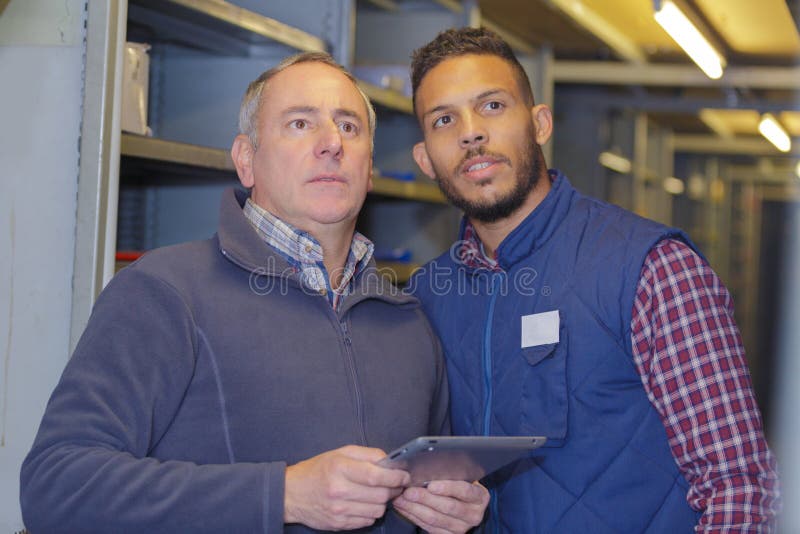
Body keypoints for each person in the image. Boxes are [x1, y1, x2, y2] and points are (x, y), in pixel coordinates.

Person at [19, 51, 488, 534]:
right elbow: (57, 486)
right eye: (300, 123)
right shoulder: (165, 292)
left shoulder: (407, 322)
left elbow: (431, 490)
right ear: (246, 160)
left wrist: (454, 512)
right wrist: (283, 495)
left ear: (369, 168)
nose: (332, 143)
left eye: (349, 127)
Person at [406, 27, 781, 533]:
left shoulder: (653, 268)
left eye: (492, 106)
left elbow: (739, 487)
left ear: (540, 124)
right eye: (444, 119)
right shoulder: (428, 296)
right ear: (426, 159)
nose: (470, 133)